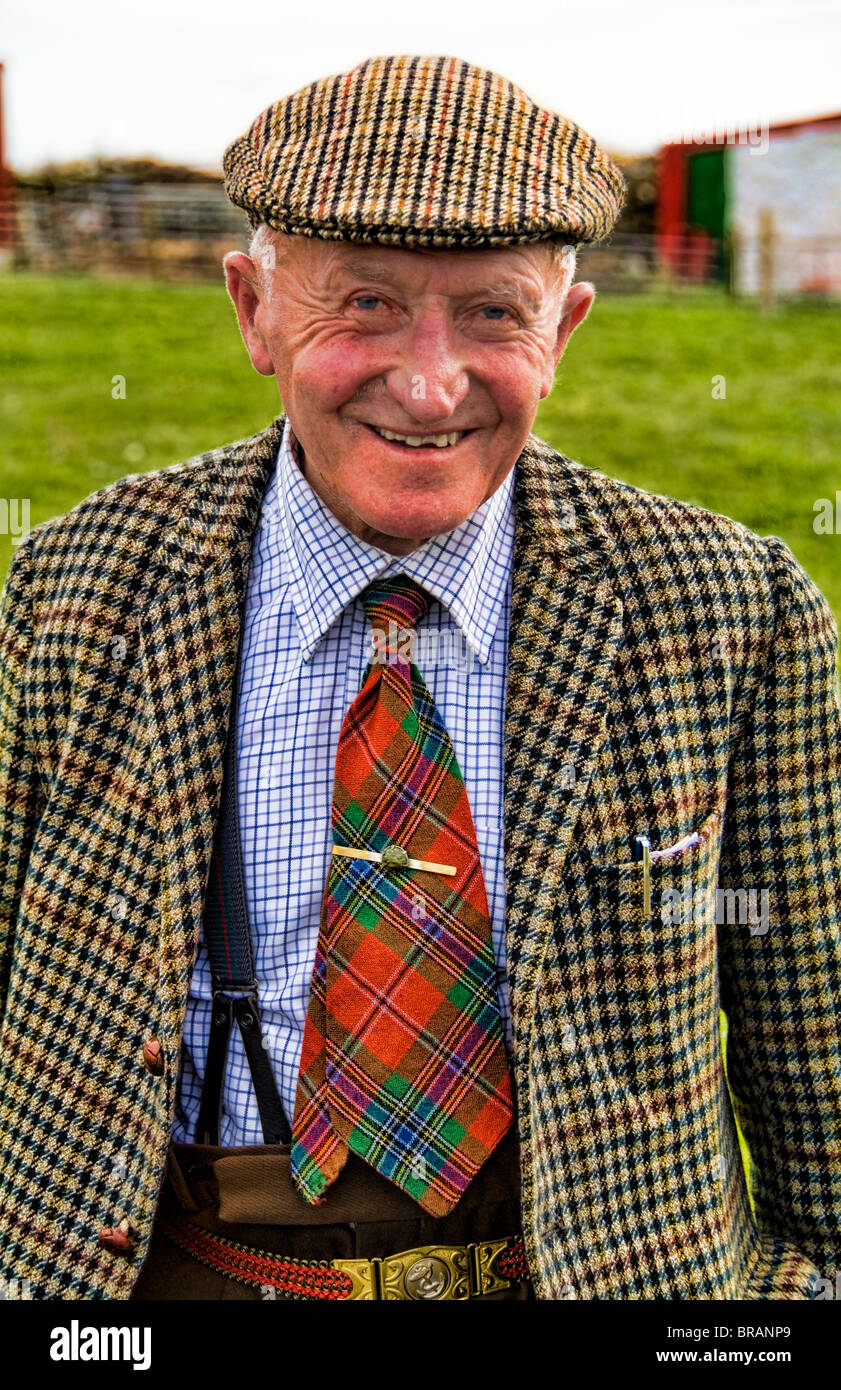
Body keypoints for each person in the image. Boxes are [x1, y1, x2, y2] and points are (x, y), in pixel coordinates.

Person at [0, 54, 839, 1303]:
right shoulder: (77, 589)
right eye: (366, 307)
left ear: (563, 331)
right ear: (252, 310)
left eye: (495, 313)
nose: (431, 381)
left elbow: (814, 1038)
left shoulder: (729, 609)